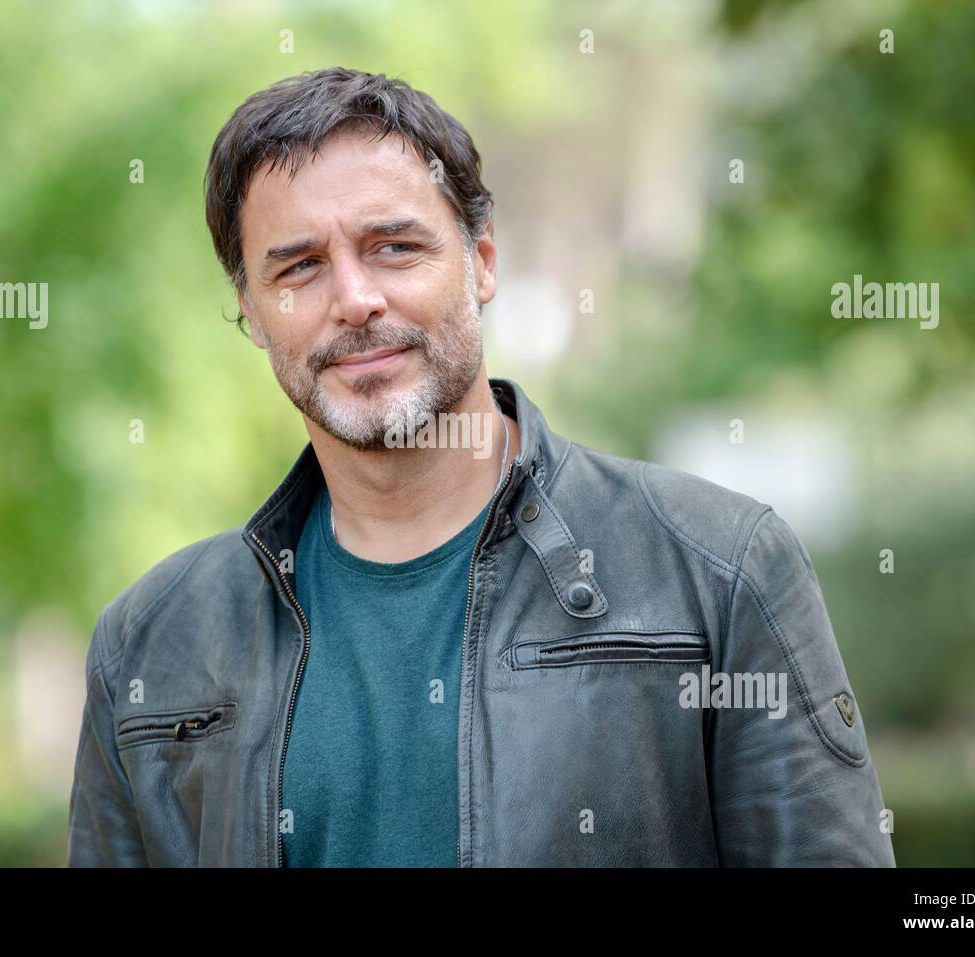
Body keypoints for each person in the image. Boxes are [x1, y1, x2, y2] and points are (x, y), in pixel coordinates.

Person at [67, 66, 895, 867]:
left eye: (394, 246)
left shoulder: (718, 571)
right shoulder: (148, 645)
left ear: (483, 261)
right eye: (300, 267)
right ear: (251, 311)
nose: (354, 298)